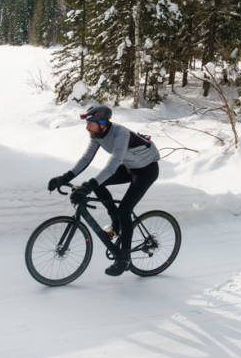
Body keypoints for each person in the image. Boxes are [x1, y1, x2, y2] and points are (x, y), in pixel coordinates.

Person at [48, 105, 160, 276]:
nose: (87, 127)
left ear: (102, 123)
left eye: (90, 123)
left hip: (147, 171)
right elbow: (86, 158)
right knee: (98, 185)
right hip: (130, 167)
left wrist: (87, 187)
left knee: (125, 210)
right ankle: (116, 223)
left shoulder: (120, 134)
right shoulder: (96, 134)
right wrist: (65, 178)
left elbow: (113, 165)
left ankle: (124, 258)